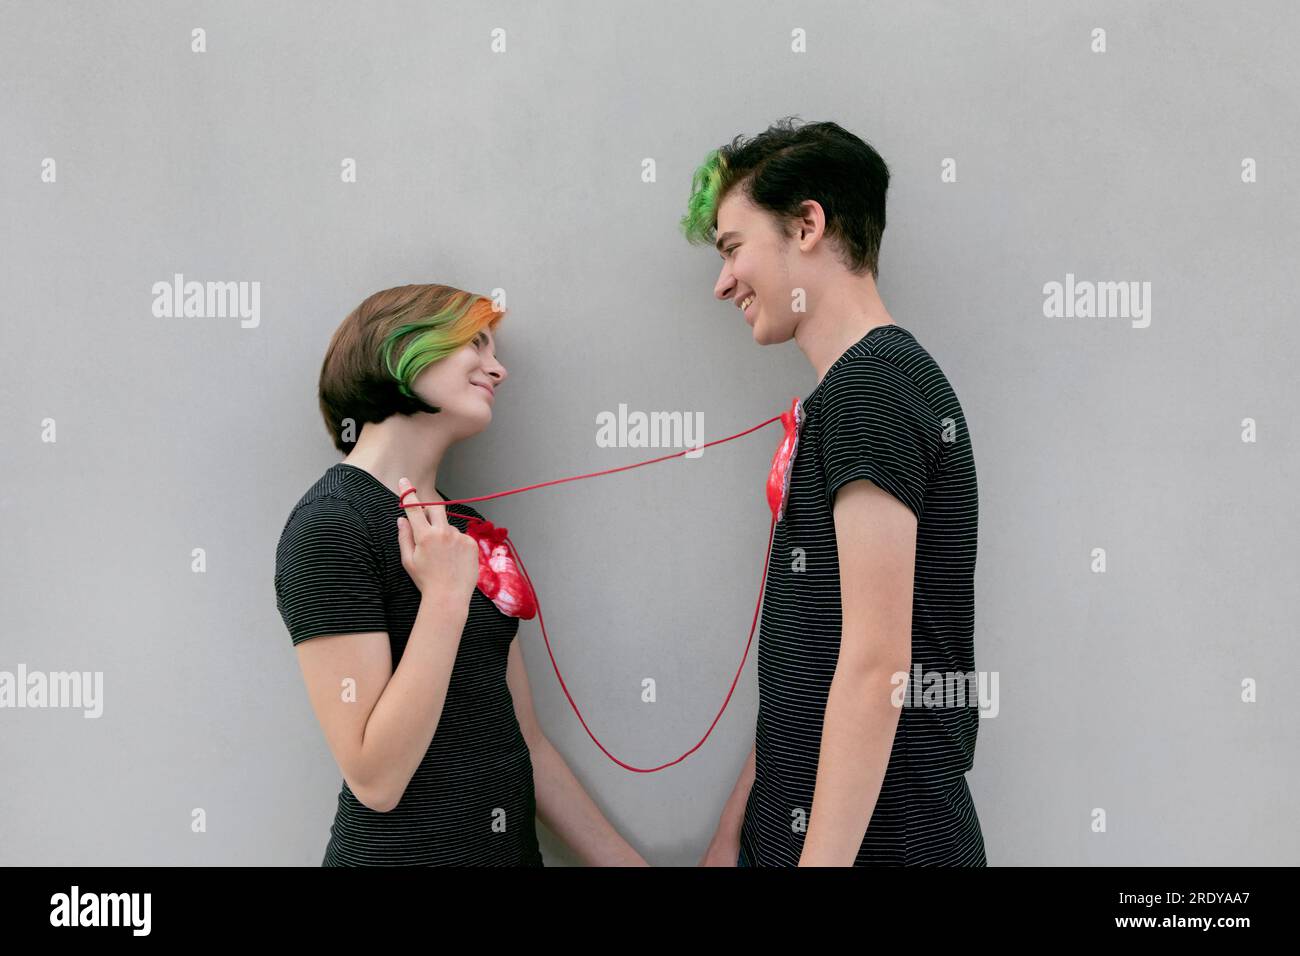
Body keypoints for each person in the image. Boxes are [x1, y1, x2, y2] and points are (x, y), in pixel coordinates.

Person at [681, 118, 988, 866]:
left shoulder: (870, 392)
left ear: (807, 225)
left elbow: (876, 663)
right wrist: (737, 829)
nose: (722, 281)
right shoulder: (859, 390)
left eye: (732, 248)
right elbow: (819, 661)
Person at [273, 284, 646, 866]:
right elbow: (376, 777)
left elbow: (526, 742)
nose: (497, 368)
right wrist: (445, 598)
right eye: (476, 343)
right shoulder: (332, 522)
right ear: (402, 348)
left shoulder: (471, 528)